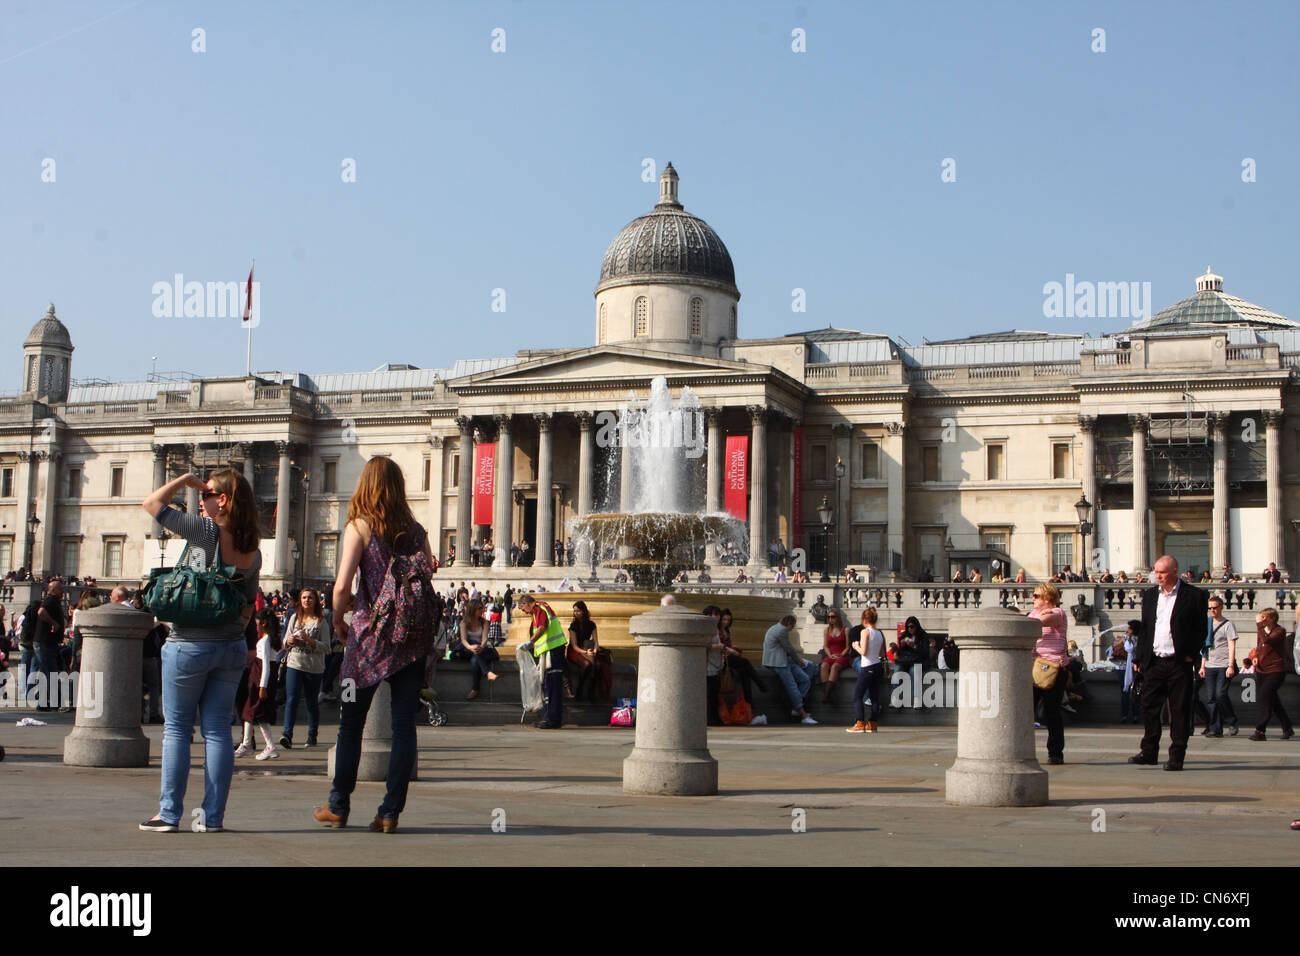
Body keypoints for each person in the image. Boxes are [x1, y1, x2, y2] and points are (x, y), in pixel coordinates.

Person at [314, 456, 438, 833]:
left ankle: (338, 805)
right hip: (411, 644)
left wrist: (338, 620)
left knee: (350, 724)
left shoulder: (360, 526)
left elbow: (341, 586)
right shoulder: (416, 531)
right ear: (399, 487)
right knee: (404, 727)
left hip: (366, 645)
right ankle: (390, 812)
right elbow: (428, 571)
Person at [139, 468, 262, 833]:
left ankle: (169, 814)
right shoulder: (252, 546)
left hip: (190, 643)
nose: (201, 499)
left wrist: (184, 479)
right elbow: (249, 605)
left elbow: (152, 504)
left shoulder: (206, 530)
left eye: (207, 493)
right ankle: (212, 817)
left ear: (222, 500)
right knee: (218, 732)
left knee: (177, 729)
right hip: (231, 647)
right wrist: (230, 633)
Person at [1129, 554, 1209, 771]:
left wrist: (1191, 653)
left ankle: (1176, 755)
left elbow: (1201, 629)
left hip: (1179, 662)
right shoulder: (1150, 595)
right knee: (1148, 707)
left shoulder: (1194, 595)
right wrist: (1139, 656)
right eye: (1156, 572)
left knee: (1179, 710)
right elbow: (1147, 629)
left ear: (1175, 571)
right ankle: (1149, 751)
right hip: (1154, 661)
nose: (1158, 576)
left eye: (1162, 572)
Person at [279, 588, 327, 748]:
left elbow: (327, 647)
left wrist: (310, 640)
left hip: (314, 667)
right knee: (291, 699)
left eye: (310, 598)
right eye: (304, 597)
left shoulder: (321, 621)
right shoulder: (294, 618)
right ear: (300, 600)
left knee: (311, 702)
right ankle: (287, 735)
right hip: (295, 663)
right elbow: (284, 642)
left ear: (315, 601)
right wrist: (290, 641)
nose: (307, 600)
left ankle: (312, 735)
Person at [1027, 583, 1069, 765]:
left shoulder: (1058, 612)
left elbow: (1045, 622)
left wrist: (1027, 620)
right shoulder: (1032, 615)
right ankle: (1024, 749)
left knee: (1051, 711)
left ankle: (1055, 752)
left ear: (1048, 599)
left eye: (1036, 596)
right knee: (1027, 711)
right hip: (1035, 667)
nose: (1033, 598)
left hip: (1053, 668)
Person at [236, 608, 282, 760]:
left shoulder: (264, 641)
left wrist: (262, 686)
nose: (256, 628)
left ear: (263, 624)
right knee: (249, 713)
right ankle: (247, 743)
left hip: (260, 681)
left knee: (258, 714)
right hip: (263, 680)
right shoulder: (273, 640)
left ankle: (270, 746)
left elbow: (266, 666)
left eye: (257, 625)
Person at [519, 592, 567, 728]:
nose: (524, 613)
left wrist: (530, 642)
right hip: (551, 651)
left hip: (554, 650)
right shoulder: (540, 609)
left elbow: (542, 627)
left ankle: (552, 719)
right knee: (549, 685)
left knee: (552, 686)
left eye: (523, 609)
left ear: (527, 604)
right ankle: (548, 717)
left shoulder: (539, 608)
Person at [762, 613, 817, 724]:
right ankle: (803, 715)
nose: (792, 629)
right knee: (792, 686)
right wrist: (799, 660)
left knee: (805, 679)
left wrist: (797, 660)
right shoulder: (782, 630)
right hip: (777, 663)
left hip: (784, 660)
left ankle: (796, 707)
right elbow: (789, 648)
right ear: (789, 624)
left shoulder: (775, 627)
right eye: (792, 627)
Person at [1249, 607, 1294, 741]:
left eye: (1264, 618)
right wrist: (1256, 656)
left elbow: (1267, 640)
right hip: (1262, 669)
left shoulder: (1280, 631)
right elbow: (1259, 644)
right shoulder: (1262, 631)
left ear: (1272, 618)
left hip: (1276, 669)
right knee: (1273, 700)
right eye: (1261, 617)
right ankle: (1287, 727)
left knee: (1264, 696)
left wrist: (1259, 625)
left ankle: (1260, 730)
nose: (1262, 620)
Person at [1200, 596, 1239, 737]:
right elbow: (1204, 647)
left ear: (1221, 607)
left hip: (1223, 664)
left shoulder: (1228, 624)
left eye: (1215, 607)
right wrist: (1202, 666)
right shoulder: (1207, 623)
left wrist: (1230, 665)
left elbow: (1232, 645)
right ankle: (1215, 728)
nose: (1212, 610)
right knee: (1211, 698)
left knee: (1220, 694)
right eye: (1210, 608)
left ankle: (1231, 720)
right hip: (1210, 665)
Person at [846, 606, 886, 733]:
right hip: (877, 665)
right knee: (874, 696)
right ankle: (872, 723)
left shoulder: (865, 632)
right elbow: (882, 653)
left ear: (864, 619)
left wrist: (855, 645)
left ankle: (860, 722)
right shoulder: (880, 633)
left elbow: (863, 651)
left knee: (858, 696)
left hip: (867, 666)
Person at [32, 578, 66, 711]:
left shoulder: (54, 601)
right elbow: (41, 612)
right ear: (52, 590)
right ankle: (52, 702)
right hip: (44, 642)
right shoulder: (50, 600)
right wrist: (54, 623)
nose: (63, 591)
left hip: (47, 642)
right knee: (50, 672)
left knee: (48, 672)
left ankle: (45, 703)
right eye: (60, 589)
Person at [566, 600, 609, 701]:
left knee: (597, 666)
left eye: (578, 611)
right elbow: (574, 646)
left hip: (587, 649)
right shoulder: (573, 626)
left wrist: (595, 650)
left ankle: (591, 692)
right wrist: (586, 652)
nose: (576, 613)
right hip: (574, 651)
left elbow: (596, 641)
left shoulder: (591, 624)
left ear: (584, 611)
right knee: (587, 665)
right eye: (574, 611)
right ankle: (580, 690)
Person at [459, 599, 500, 700]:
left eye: (483, 608)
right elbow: (463, 640)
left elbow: (485, 639)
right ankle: (488, 673)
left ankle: (475, 689)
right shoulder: (464, 623)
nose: (483, 610)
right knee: (474, 649)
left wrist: (481, 646)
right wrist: (470, 647)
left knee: (474, 660)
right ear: (473, 610)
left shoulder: (485, 622)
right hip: (468, 649)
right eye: (480, 608)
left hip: (481, 650)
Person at [819, 608, 851, 703]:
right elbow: (825, 646)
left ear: (838, 617)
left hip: (843, 655)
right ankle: (827, 694)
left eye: (833, 617)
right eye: (828, 617)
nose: (830, 619)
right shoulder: (826, 630)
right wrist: (830, 655)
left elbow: (848, 647)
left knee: (835, 667)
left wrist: (840, 655)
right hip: (831, 655)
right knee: (824, 666)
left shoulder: (846, 630)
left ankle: (827, 695)